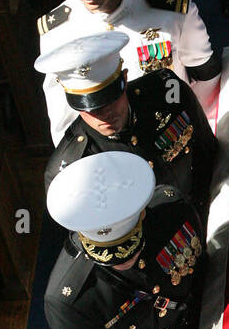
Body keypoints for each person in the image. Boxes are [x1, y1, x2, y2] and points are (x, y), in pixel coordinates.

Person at [35, 0, 220, 147]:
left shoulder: (171, 10)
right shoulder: (56, 33)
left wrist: (201, 134)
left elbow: (207, 78)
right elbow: (63, 118)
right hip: (112, 152)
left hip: (175, 138)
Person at [44, 154, 206, 329]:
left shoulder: (171, 210)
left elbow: (202, 270)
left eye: (130, 247)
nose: (124, 261)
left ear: (142, 214)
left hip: (206, 315)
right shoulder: (70, 302)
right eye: (110, 255)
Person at [37, 33, 216, 219]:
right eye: (92, 108)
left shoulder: (164, 91)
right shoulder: (71, 169)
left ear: (124, 78)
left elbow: (208, 148)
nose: (105, 114)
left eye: (110, 99)